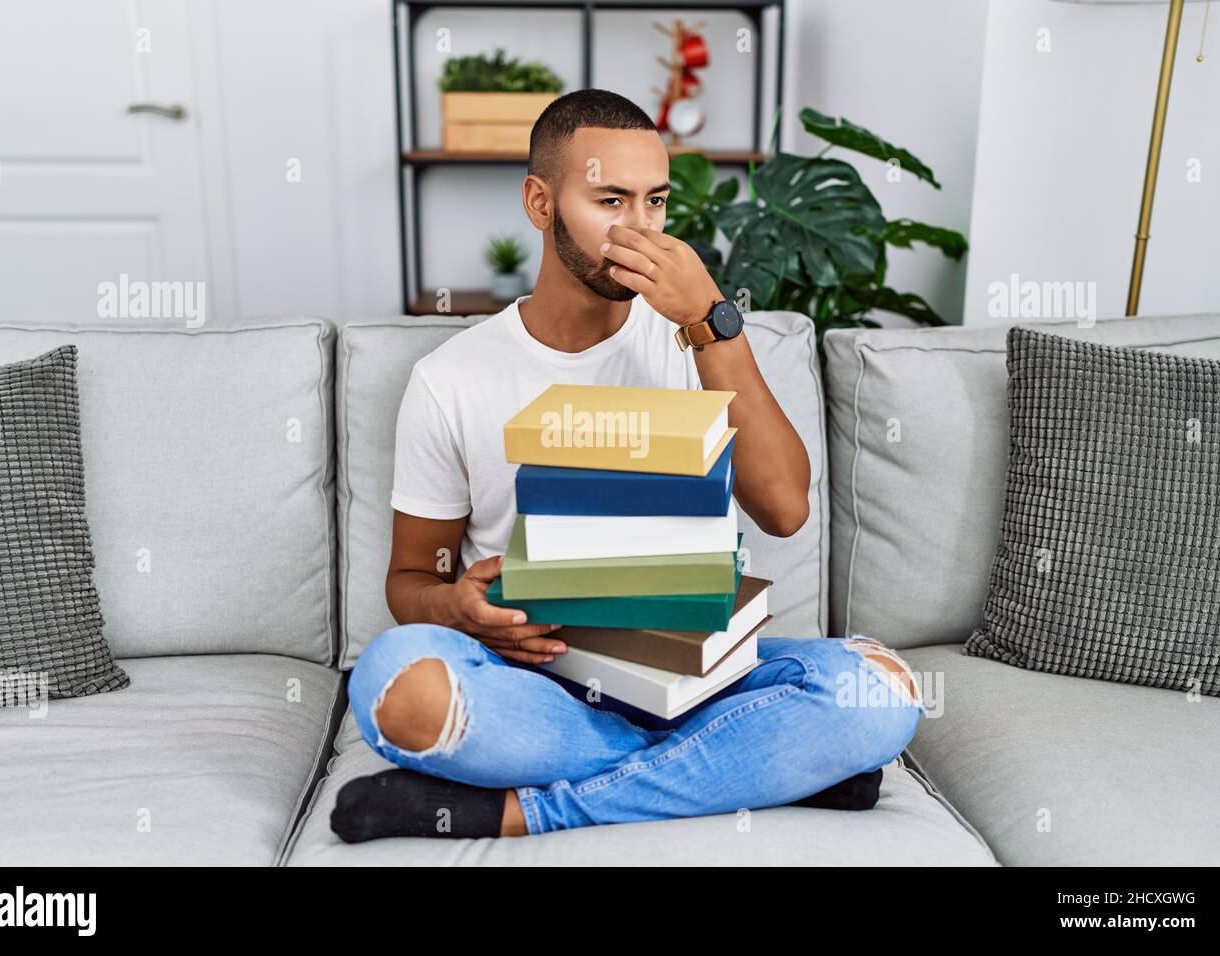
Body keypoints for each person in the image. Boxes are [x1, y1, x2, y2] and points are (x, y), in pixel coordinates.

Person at [330, 89, 924, 842]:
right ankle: (751, 765)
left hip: (696, 670)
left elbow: (784, 509)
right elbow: (410, 582)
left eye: (656, 202)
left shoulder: (698, 340)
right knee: (393, 684)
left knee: (879, 693)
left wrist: (711, 321)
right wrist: (458, 610)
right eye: (610, 199)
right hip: (535, 679)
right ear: (540, 203)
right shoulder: (451, 379)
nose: (640, 229)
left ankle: (526, 811)